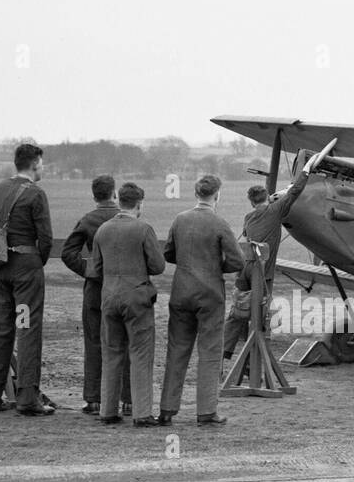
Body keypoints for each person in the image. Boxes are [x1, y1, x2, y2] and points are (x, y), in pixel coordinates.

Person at [159, 175, 245, 426]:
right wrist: (215, 267)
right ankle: (206, 411)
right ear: (217, 195)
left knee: (176, 350)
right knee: (209, 352)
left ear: (196, 194)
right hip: (210, 295)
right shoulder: (220, 223)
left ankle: (166, 409)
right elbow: (237, 261)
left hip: (181, 292)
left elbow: (168, 253)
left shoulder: (180, 219)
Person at [86, 182, 166, 427]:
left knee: (111, 352)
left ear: (119, 200)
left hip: (109, 297)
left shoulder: (102, 230)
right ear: (139, 203)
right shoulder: (143, 229)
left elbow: (94, 269)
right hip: (137, 299)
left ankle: (108, 410)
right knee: (140, 354)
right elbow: (158, 266)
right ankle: (141, 412)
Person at [0, 144, 54, 416]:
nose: (43, 169)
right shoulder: (36, 194)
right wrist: (36, 261)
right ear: (35, 163)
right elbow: (45, 238)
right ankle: (26, 398)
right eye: (42, 164)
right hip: (26, 271)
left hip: (1, 269)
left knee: (2, 331)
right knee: (27, 329)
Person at [222, 172, 309, 362]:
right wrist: (306, 172)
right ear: (266, 197)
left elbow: (247, 233)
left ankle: (225, 350)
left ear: (251, 202)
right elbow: (295, 191)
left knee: (238, 309)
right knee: (260, 314)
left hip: (245, 267)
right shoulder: (275, 210)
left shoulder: (248, 217)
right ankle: (250, 361)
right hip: (261, 271)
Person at [61, 175, 121, 415]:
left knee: (94, 343)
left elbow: (68, 252)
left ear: (94, 196)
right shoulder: (127, 218)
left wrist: (88, 269)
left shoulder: (88, 220)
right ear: (114, 193)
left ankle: (94, 398)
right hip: (122, 287)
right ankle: (126, 399)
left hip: (95, 289)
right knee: (123, 343)